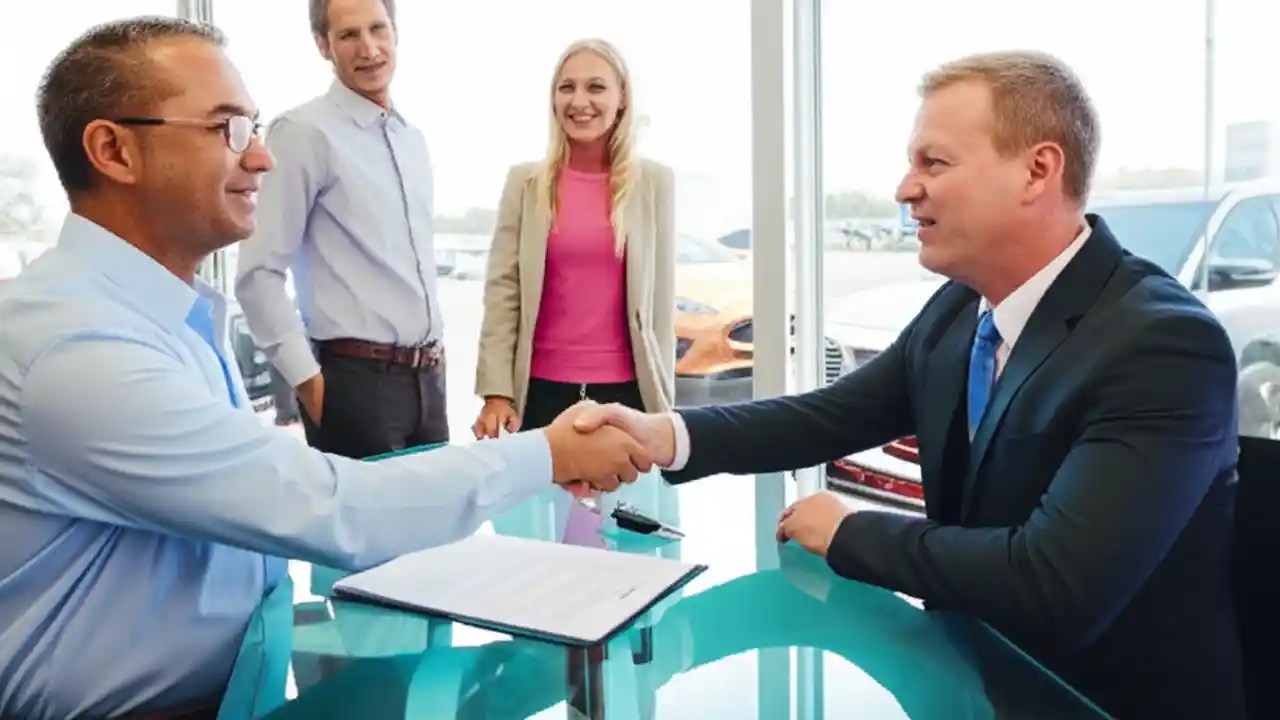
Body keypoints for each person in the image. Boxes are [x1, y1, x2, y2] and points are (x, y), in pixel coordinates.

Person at [0, 17, 649, 719]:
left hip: (244, 674)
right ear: (113, 149)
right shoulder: (73, 349)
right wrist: (548, 452)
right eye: (227, 130)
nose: (261, 160)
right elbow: (334, 507)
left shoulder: (165, 313)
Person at [575, 51, 1246, 719]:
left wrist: (850, 532)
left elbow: (1055, 586)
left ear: (1037, 170)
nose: (903, 189)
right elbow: (834, 415)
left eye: (935, 163)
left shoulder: (1161, 345)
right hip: (968, 674)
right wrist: (664, 434)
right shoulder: (959, 308)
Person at [235, 0, 448, 459]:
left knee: (437, 529)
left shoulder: (412, 140)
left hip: (429, 379)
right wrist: (309, 384)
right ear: (322, 46)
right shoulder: (302, 133)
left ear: (395, 34)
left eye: (378, 29)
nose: (369, 48)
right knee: (367, 529)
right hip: (354, 385)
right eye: (349, 35)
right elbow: (258, 275)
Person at [473, 38, 676, 439]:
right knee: (541, 503)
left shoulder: (654, 183)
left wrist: (663, 400)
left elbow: (660, 307)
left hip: (627, 395)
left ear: (622, 99)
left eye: (595, 87)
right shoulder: (526, 183)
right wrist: (496, 392)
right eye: (567, 87)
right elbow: (503, 292)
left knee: (624, 504)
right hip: (540, 393)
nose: (579, 100)